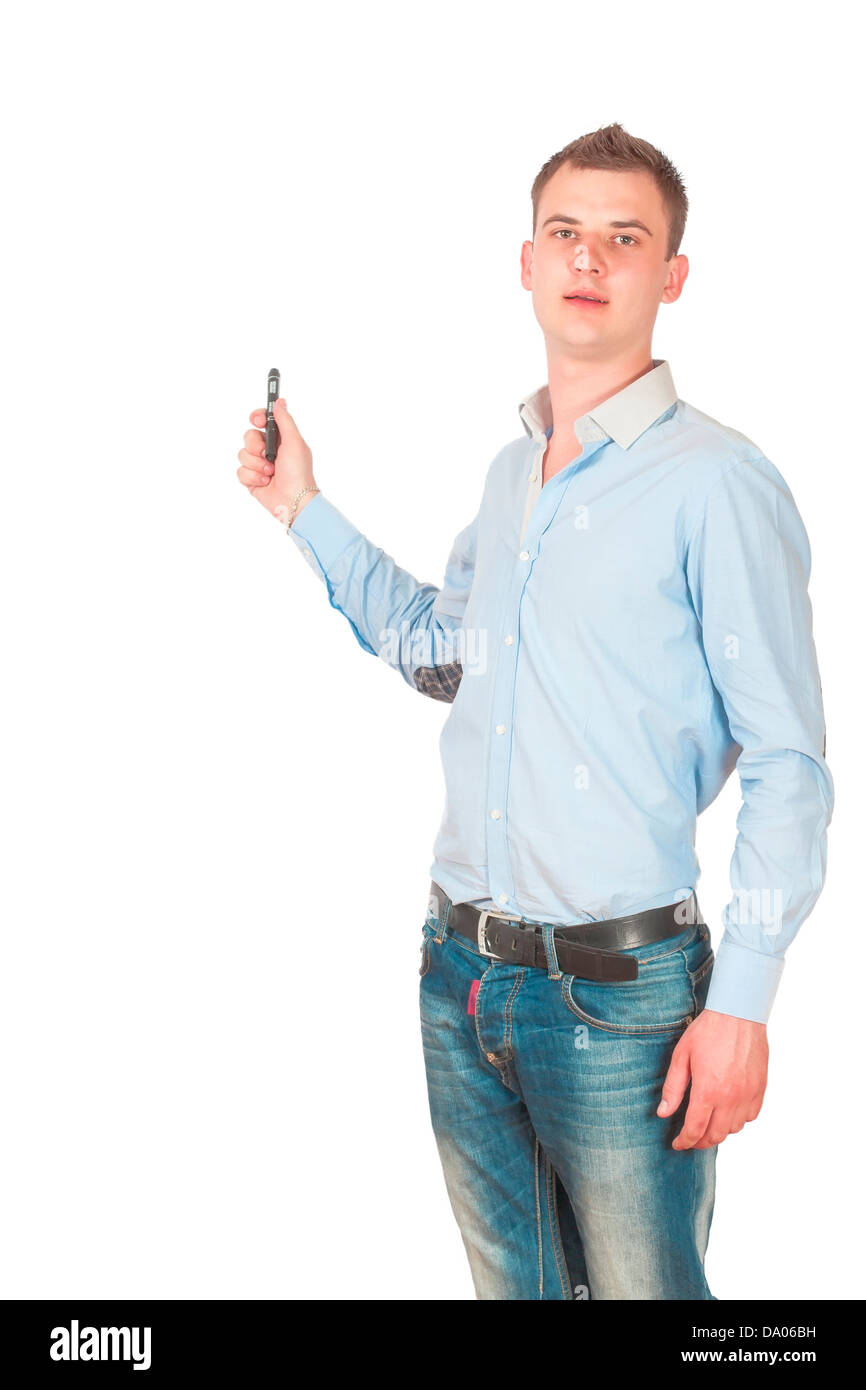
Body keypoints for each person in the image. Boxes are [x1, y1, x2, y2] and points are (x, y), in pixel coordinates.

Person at [236, 122, 833, 1300]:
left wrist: (744, 1003)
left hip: (620, 1007)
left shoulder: (716, 481)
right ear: (525, 261)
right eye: (566, 233)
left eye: (624, 238)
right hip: (458, 980)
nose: (589, 260)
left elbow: (788, 764)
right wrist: (303, 505)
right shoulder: (513, 476)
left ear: (670, 277)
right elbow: (438, 655)